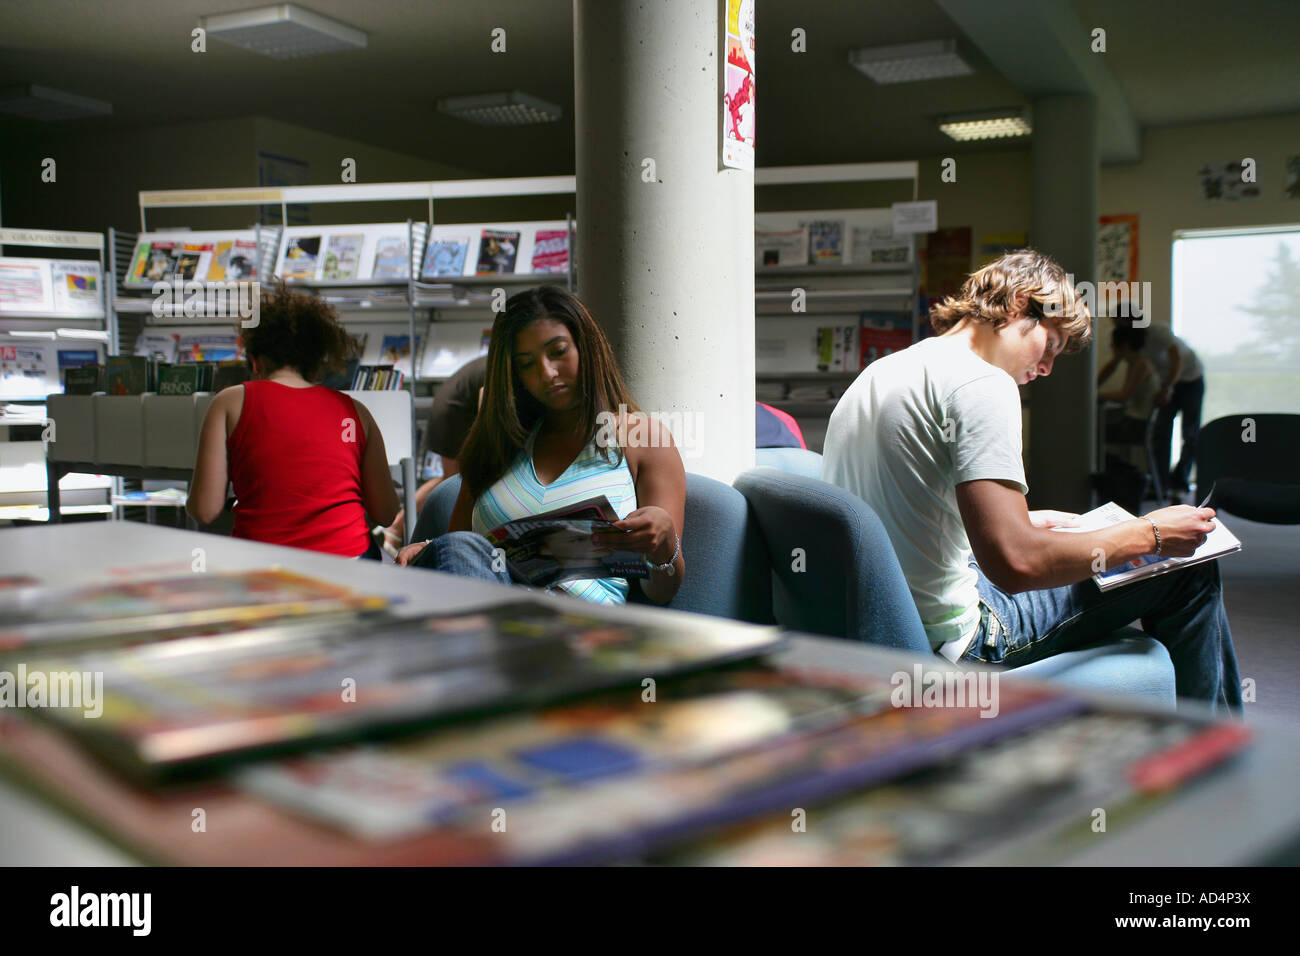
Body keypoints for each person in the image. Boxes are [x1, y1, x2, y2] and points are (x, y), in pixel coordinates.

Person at [822, 250, 1240, 714]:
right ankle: (1217, 748)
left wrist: (1021, 521)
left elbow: (906, 504)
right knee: (1191, 568)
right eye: (1052, 346)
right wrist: (1152, 533)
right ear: (1022, 304)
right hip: (962, 638)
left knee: (1086, 541)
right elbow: (1016, 564)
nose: (1046, 369)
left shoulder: (888, 370)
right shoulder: (981, 384)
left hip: (887, 616)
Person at [396, 286, 686, 606]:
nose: (547, 373)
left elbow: (663, 592)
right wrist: (431, 547)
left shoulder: (643, 439)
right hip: (492, 614)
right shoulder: (499, 442)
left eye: (558, 351)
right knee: (458, 548)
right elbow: (462, 551)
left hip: (583, 629)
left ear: (586, 348)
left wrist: (664, 542)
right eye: (526, 363)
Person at [187, 282, 400, 559]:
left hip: (263, 568)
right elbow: (386, 513)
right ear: (315, 364)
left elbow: (204, 510)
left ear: (255, 362)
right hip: (351, 565)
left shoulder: (229, 402)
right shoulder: (355, 412)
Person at [379, 354, 486, 554]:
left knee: (451, 479)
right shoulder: (506, 359)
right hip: (455, 411)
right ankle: (403, 530)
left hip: (452, 406)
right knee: (456, 482)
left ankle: (395, 528)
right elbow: (485, 394)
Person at [1099, 318, 1205, 497]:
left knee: (1190, 433)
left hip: (1190, 379)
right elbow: (1113, 364)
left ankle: (1179, 481)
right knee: (1161, 435)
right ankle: (1161, 485)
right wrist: (1089, 389)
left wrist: (1168, 388)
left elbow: (1176, 360)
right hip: (1166, 382)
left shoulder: (1158, 333)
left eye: (1117, 324)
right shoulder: (1134, 348)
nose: (1115, 328)